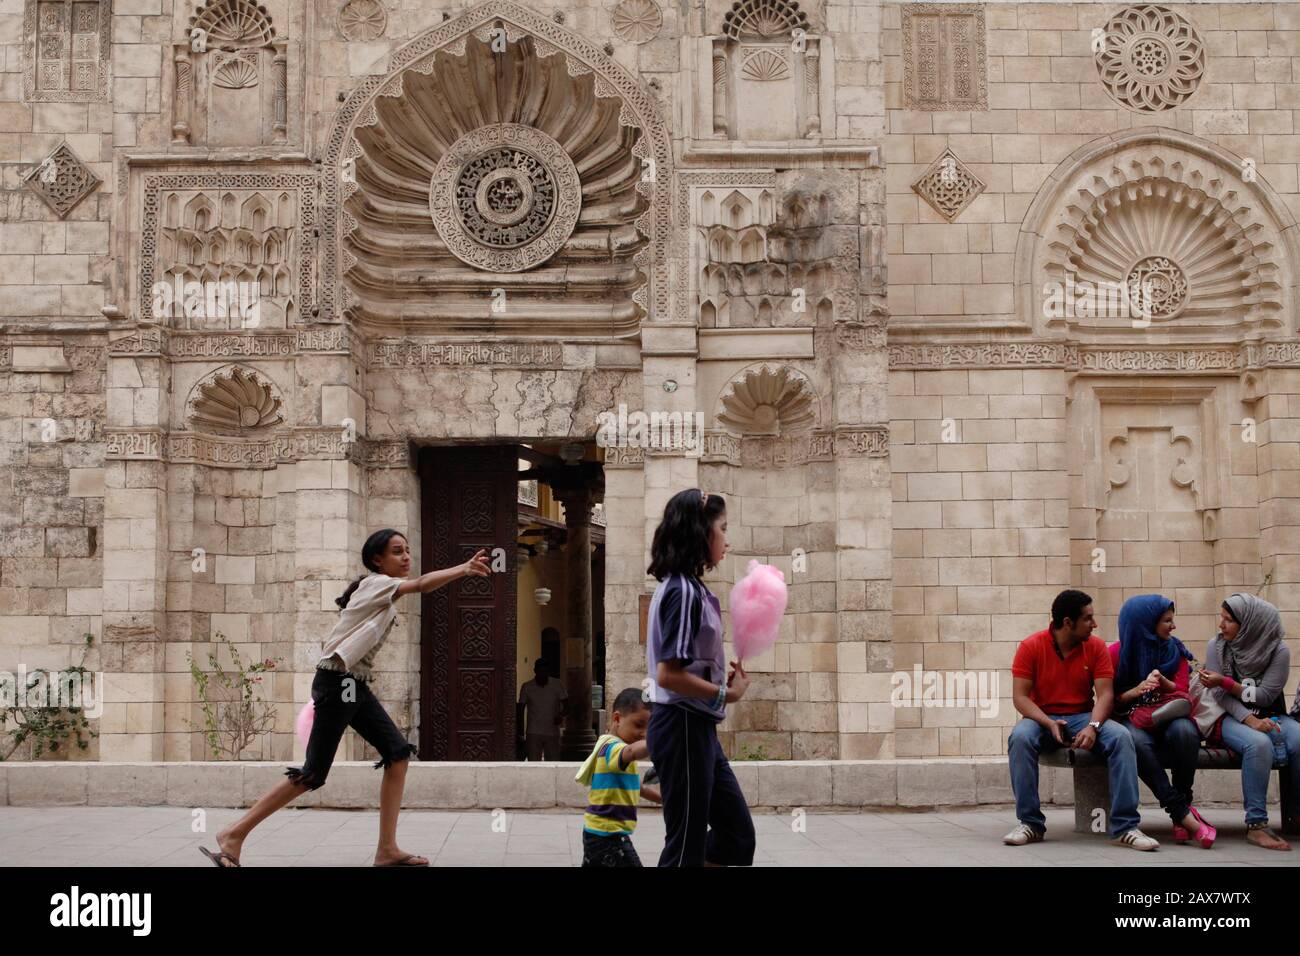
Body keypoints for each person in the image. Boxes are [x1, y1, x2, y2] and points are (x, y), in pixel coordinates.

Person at [198, 528, 490, 867]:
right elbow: (423, 584)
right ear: (377, 560)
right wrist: (463, 569)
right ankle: (233, 834)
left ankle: (387, 850)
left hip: (352, 685)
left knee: (397, 754)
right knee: (313, 774)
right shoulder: (377, 584)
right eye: (397, 552)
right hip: (338, 684)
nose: (406, 557)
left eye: (407, 550)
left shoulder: (379, 591)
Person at [644, 488, 756, 867]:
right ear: (700, 532)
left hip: (698, 727)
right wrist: (727, 693)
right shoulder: (681, 592)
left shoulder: (692, 590)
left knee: (737, 835)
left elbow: (685, 667)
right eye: (723, 529)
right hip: (682, 726)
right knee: (684, 848)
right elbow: (669, 675)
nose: (728, 539)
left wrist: (714, 675)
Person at [1004, 589, 1159, 851]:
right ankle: (1030, 823)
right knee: (1019, 738)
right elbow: (1020, 698)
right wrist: (1049, 723)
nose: (1094, 624)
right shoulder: (1031, 646)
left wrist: (1093, 726)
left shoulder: (1096, 647)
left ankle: (1125, 827)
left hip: (1083, 716)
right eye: (1088, 618)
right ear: (1067, 623)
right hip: (1042, 717)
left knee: (1121, 737)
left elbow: (1106, 695)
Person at [1110, 594, 1215, 847]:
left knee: (1185, 731)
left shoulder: (1174, 649)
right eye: (1167, 621)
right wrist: (1135, 691)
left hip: (1167, 716)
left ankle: (1183, 805)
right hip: (1130, 717)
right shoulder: (1115, 653)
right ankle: (1179, 811)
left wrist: (1165, 685)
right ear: (1144, 623)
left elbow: (1182, 694)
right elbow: (1108, 699)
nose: (1173, 626)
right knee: (1135, 740)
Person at [1200, 592, 1298, 851]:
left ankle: (1296, 815)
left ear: (1251, 625)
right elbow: (1219, 695)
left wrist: (1227, 682)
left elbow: (1266, 696)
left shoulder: (1278, 650)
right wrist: (1248, 719)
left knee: (1298, 738)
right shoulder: (1217, 646)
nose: (1221, 626)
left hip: (1272, 714)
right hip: (1231, 716)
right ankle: (1257, 825)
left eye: (1229, 620)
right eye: (1221, 618)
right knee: (1259, 744)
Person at [574, 687, 662, 867]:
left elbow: (639, 788)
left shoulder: (614, 748)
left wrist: (664, 799)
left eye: (649, 728)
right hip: (609, 837)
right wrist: (659, 740)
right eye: (638, 725)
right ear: (616, 719)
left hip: (597, 833)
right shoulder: (614, 749)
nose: (644, 733)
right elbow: (631, 751)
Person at [518, 658, 568, 760]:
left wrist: (561, 715)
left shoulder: (557, 685)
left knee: (553, 763)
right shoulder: (527, 687)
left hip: (552, 731)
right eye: (541, 672)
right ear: (535, 671)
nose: (543, 675)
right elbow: (520, 710)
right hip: (533, 732)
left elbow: (567, 705)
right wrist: (519, 732)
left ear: (548, 672)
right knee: (533, 763)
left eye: (545, 672)